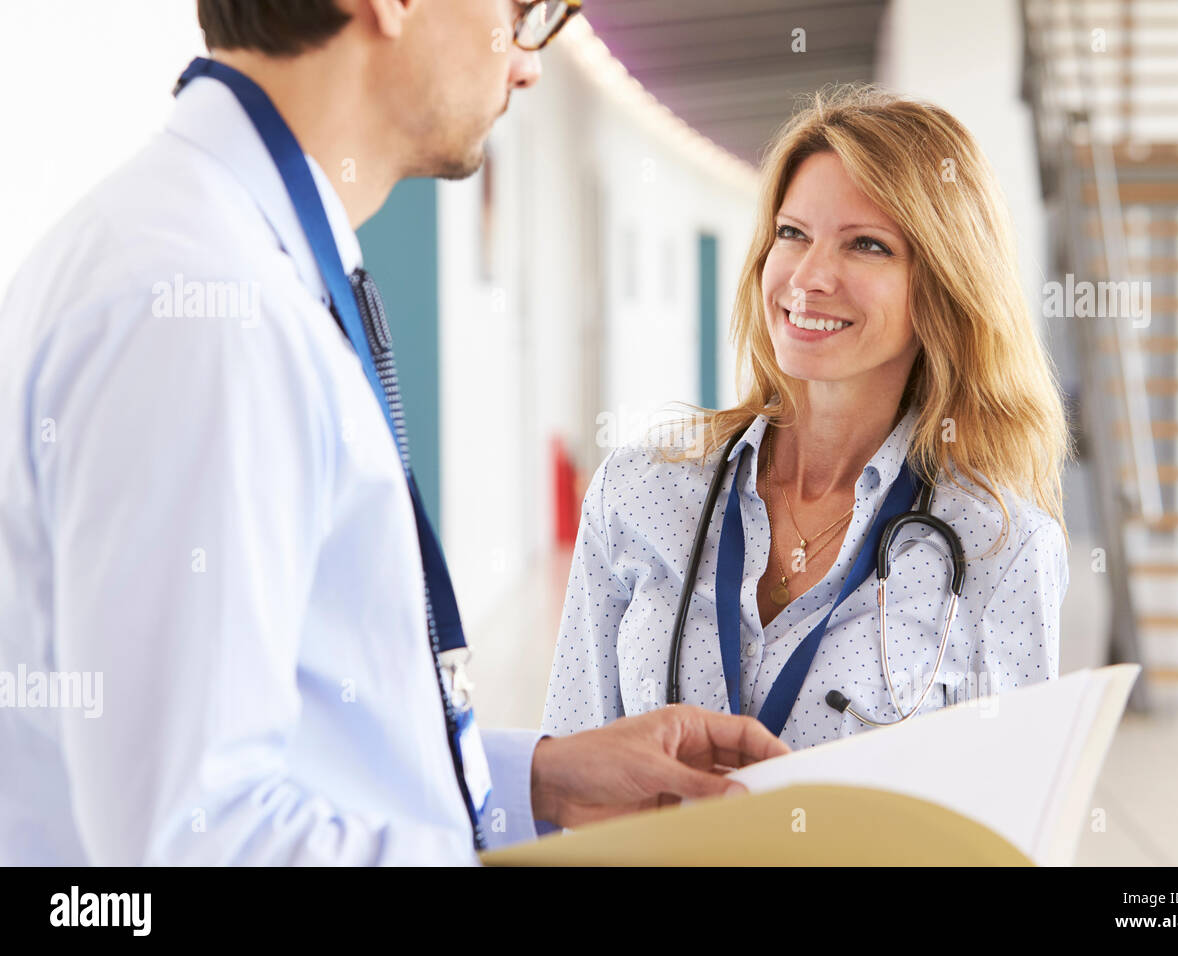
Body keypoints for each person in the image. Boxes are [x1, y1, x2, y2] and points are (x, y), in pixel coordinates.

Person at [0, 0, 788, 866]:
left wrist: (539, 779)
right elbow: (200, 843)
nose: (526, 64)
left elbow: (283, 741)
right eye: (519, 12)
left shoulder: (222, 259)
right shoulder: (206, 309)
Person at [543, 84, 1072, 750]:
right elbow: (568, 767)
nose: (809, 277)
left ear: (944, 283)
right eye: (792, 234)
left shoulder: (1001, 546)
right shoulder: (641, 489)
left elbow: (1004, 823)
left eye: (867, 246)